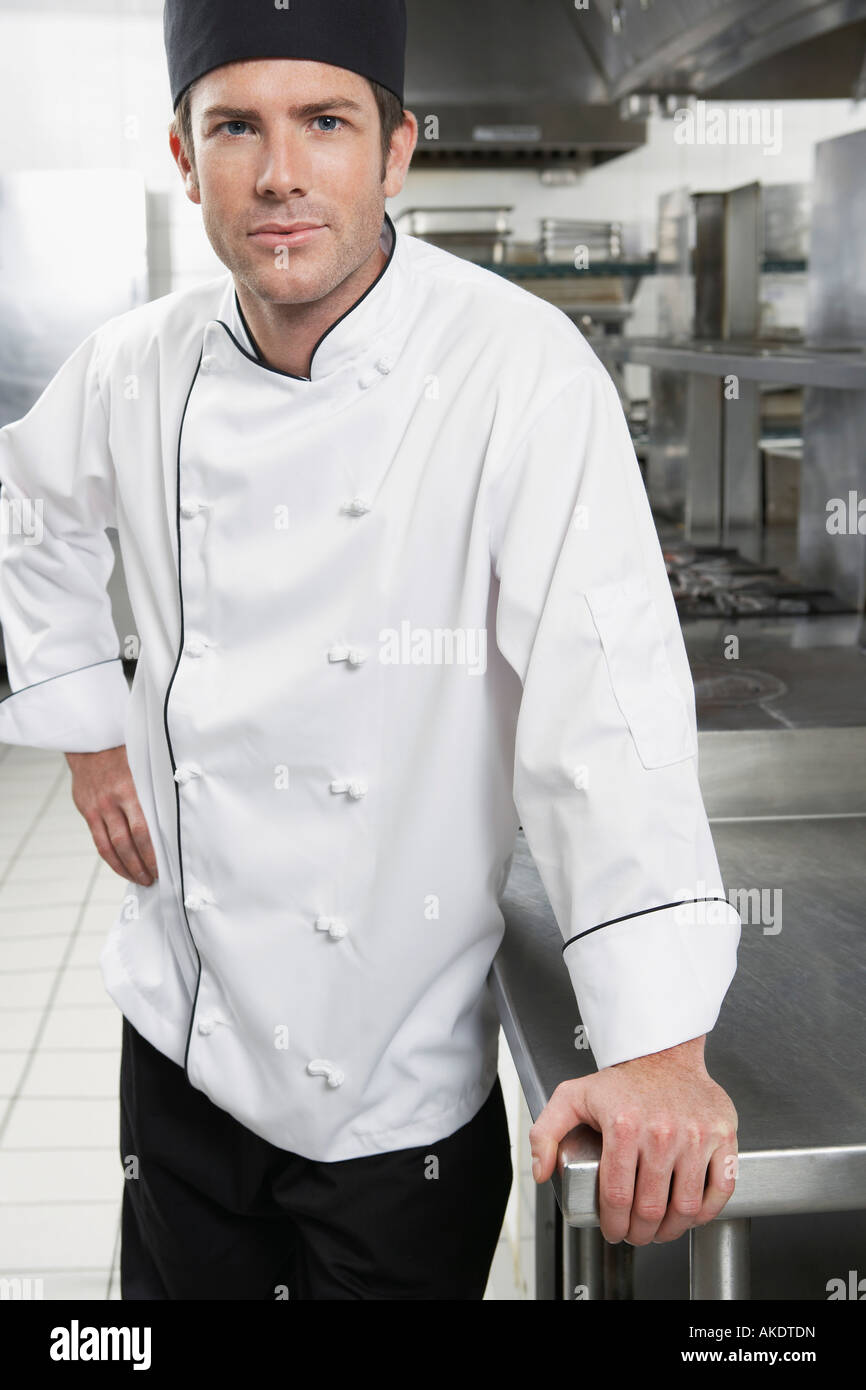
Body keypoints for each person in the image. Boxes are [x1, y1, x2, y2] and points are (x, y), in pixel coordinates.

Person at [0, 0, 741, 1299]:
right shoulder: (135, 364)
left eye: (323, 123)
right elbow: (33, 516)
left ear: (394, 148)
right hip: (178, 1038)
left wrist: (657, 1040)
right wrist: (85, 730)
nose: (279, 172)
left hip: (395, 1089)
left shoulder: (517, 368)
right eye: (235, 125)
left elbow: (602, 706)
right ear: (184, 155)